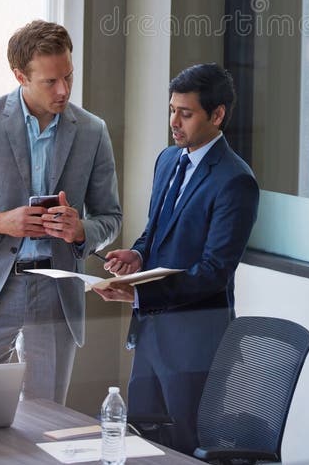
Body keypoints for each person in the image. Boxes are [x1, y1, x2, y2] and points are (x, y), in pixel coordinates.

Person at [0, 20, 122, 404]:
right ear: (20, 76)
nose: (64, 90)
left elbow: (111, 218)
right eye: (51, 81)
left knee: (47, 424)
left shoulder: (92, 131)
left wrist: (81, 230)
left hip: (57, 292)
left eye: (68, 76)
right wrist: (0, 222)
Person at [94, 63, 259, 455]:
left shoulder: (235, 181)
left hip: (195, 341)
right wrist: (136, 254)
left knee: (186, 447)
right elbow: (157, 231)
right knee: (143, 443)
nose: (174, 121)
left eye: (186, 113)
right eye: (172, 110)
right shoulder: (168, 160)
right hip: (151, 335)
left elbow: (214, 272)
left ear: (217, 115)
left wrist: (139, 296)